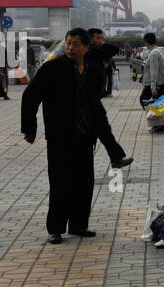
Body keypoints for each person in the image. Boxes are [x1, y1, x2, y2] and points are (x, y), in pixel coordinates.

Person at [21, 28, 103, 244]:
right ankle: (55, 228)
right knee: (60, 182)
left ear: (86, 47)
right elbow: (30, 96)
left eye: (75, 44)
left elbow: (96, 104)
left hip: (85, 137)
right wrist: (30, 127)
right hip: (60, 137)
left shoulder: (93, 71)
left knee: (84, 182)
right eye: (67, 43)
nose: (70, 47)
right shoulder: (52, 69)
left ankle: (78, 225)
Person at [85, 28, 132, 168]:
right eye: (97, 38)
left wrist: (99, 43)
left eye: (102, 38)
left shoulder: (94, 50)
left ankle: (116, 158)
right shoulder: (91, 51)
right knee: (99, 130)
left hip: (94, 100)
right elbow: (112, 49)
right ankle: (115, 158)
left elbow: (113, 49)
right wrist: (95, 44)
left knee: (103, 130)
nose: (100, 41)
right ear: (89, 39)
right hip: (87, 101)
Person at [140, 31, 164, 133]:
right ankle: (159, 125)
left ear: (147, 42)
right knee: (157, 104)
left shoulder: (154, 53)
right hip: (160, 82)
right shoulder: (159, 50)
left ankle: (158, 125)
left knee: (145, 101)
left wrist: (153, 87)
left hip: (155, 84)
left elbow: (154, 71)